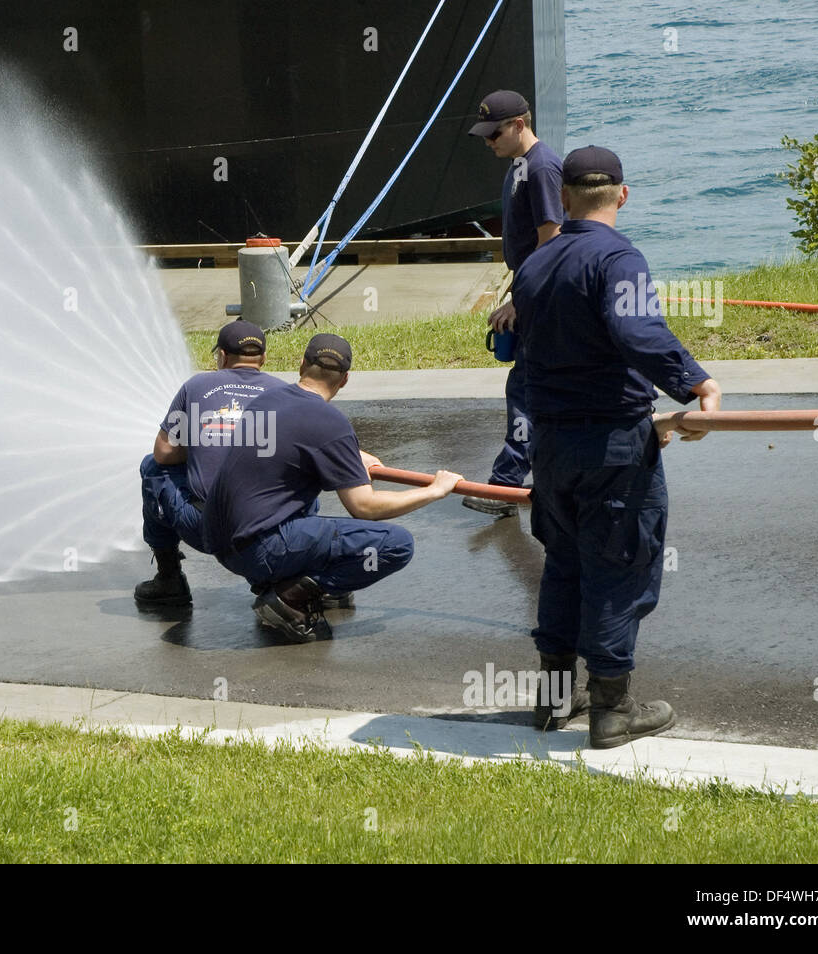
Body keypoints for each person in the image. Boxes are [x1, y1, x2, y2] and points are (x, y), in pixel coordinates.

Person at [511, 145, 722, 748]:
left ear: (567, 198)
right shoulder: (618, 257)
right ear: (621, 195)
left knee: (565, 563)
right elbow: (636, 330)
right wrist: (695, 384)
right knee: (620, 564)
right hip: (611, 444)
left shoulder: (534, 265)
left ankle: (553, 701)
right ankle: (612, 711)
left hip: (551, 444)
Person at [203, 333, 463, 642]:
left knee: (305, 503)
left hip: (222, 543)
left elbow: (289, 447)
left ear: (302, 366)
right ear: (345, 380)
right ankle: (290, 598)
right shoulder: (331, 423)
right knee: (396, 544)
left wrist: (349, 456)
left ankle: (274, 583)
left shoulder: (268, 399)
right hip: (260, 550)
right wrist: (434, 490)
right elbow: (364, 507)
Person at [465, 89, 564, 518]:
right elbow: (526, 249)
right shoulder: (518, 166)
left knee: (525, 391)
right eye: (485, 136)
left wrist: (522, 305)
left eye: (495, 134)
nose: (489, 143)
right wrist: (511, 293)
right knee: (538, 391)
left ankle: (505, 486)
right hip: (529, 292)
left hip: (542, 302)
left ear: (520, 125)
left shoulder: (542, 168)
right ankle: (555, 480)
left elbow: (552, 242)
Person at [135, 319, 282, 607]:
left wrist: (205, 448)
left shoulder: (196, 385)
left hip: (208, 528)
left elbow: (163, 453)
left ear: (222, 357)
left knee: (152, 469)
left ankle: (169, 579)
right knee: (301, 479)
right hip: (272, 528)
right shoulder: (285, 392)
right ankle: (302, 579)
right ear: (263, 358)